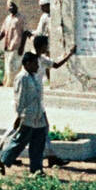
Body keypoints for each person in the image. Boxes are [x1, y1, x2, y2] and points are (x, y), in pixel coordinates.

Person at [0, 51, 48, 176]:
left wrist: (43, 114)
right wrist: (19, 116)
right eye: (35, 64)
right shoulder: (22, 78)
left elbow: (39, 98)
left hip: (38, 115)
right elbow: (19, 98)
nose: (37, 66)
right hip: (27, 116)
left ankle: (36, 169)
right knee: (20, 141)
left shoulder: (35, 77)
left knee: (38, 143)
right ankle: (2, 158)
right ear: (27, 64)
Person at [31, 33, 76, 168]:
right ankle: (5, 152)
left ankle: (50, 155)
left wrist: (69, 55)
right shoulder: (31, 59)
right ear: (41, 46)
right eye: (46, 45)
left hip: (38, 99)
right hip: (31, 99)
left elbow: (55, 65)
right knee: (26, 129)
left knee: (42, 128)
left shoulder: (42, 59)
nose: (47, 47)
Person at [0, 0, 28, 87]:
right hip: (8, 46)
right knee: (8, 67)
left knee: (14, 67)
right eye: (9, 6)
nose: (11, 8)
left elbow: (25, 33)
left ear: (17, 6)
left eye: (13, 6)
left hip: (17, 46)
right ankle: (9, 84)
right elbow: (3, 32)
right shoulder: (7, 18)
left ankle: (15, 85)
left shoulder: (21, 18)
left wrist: (22, 47)